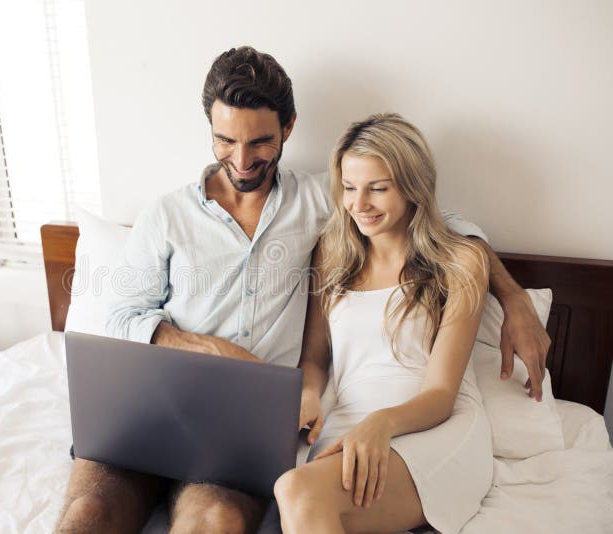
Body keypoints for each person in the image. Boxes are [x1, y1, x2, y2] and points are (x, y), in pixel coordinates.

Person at [56, 46, 549, 534]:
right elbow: (121, 318)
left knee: (214, 524)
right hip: (149, 407)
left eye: (260, 142)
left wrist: (513, 297)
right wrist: (216, 352)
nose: (242, 159)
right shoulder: (166, 216)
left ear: (289, 127)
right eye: (224, 140)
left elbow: (435, 222)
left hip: (236, 427)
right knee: (87, 517)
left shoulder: (324, 200)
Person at [274, 113, 493, 533]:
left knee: (297, 491)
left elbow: (443, 393)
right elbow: (316, 358)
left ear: (413, 187)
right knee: (295, 490)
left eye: (378, 188)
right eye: (350, 188)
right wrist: (308, 394)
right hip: (351, 421)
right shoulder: (332, 252)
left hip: (434, 430)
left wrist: (382, 423)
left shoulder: (462, 261)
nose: (359, 204)